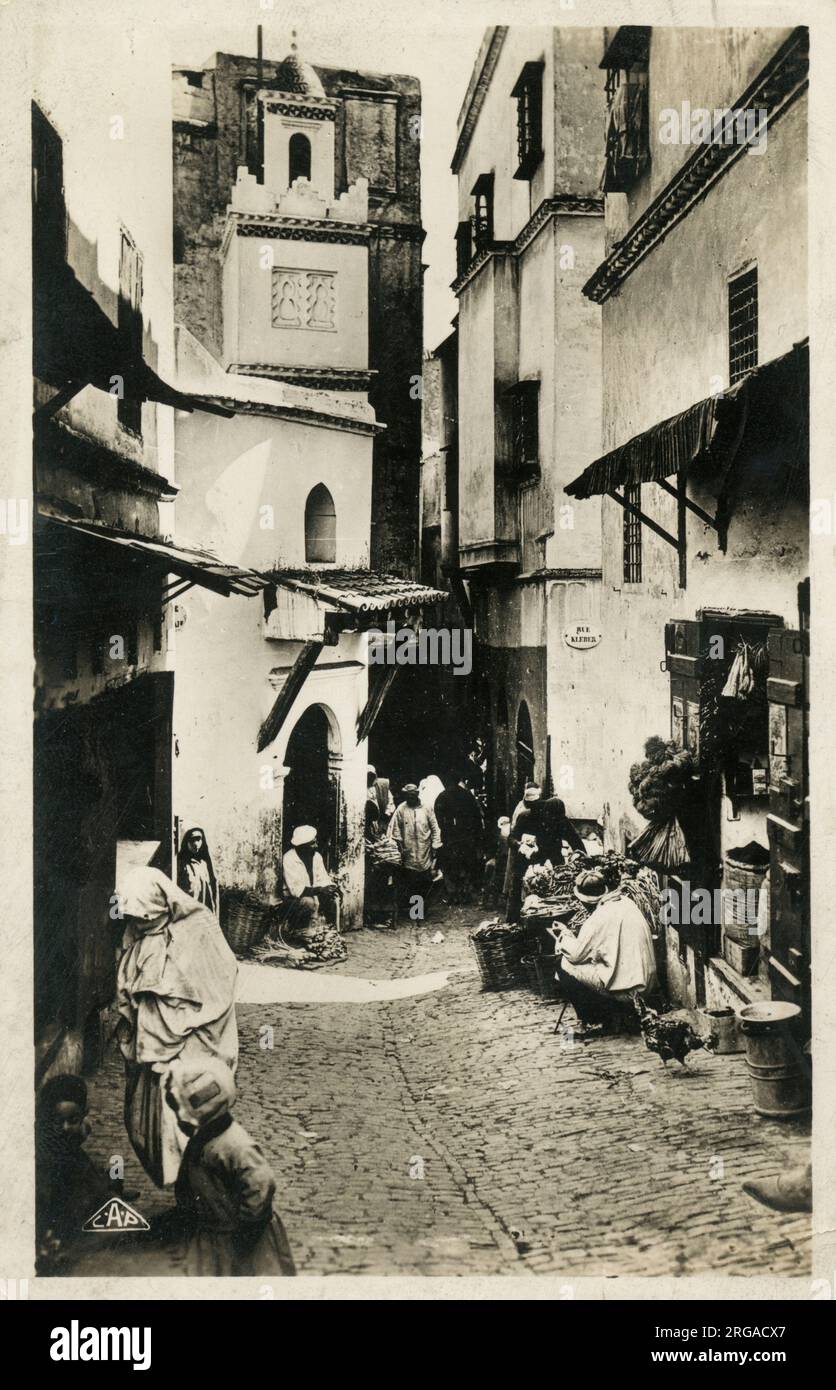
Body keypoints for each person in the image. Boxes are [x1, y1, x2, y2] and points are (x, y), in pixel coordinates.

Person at [115, 866, 238, 1188]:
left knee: (189, 1127)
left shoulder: (199, 930)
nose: (138, 924)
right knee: (149, 1128)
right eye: (134, 918)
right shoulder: (139, 938)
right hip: (151, 1054)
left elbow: (217, 987)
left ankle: (199, 1200)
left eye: (144, 917)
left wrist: (179, 1017)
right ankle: (183, 1191)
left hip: (190, 1050)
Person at [165, 1059, 296, 1277]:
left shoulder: (234, 1145)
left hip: (239, 1238)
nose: (179, 1122)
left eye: (180, 1115)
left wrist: (246, 1229)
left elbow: (261, 1183)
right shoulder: (204, 1139)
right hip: (211, 1236)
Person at [553, 867, 657, 1033]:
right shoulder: (627, 903)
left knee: (564, 963)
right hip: (647, 984)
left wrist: (565, 934)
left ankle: (598, 1017)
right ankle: (618, 1014)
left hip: (629, 990)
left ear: (585, 901)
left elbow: (576, 955)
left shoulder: (598, 917)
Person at [36, 1074, 116, 1270]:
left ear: (83, 1116)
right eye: (56, 1121)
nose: (64, 1128)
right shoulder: (47, 1158)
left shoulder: (72, 1151)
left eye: (72, 1120)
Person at [389, 783, 442, 910]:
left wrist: (435, 845)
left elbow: (435, 828)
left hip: (425, 852)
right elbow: (395, 831)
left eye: (413, 795)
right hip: (409, 853)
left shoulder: (427, 808)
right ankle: (415, 911)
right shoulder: (401, 809)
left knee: (424, 883)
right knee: (412, 884)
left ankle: (420, 910)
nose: (411, 798)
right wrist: (400, 847)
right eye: (408, 796)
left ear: (417, 794)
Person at [434, 773, 484, 904]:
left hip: (450, 838)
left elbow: (439, 819)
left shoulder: (442, 796)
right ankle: (465, 893)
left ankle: (453, 894)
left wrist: (447, 829)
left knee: (451, 865)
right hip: (467, 837)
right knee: (466, 865)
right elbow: (477, 817)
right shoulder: (467, 795)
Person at [503, 784, 545, 922]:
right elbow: (511, 838)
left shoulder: (544, 816)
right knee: (517, 891)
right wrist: (519, 844)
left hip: (538, 861)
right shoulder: (523, 816)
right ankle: (514, 921)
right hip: (523, 859)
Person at [176, 826, 218, 915]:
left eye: (199, 839)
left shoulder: (203, 865)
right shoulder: (179, 865)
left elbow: (209, 897)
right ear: (185, 841)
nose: (196, 844)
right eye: (192, 840)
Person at [536, 796, 586, 865]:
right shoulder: (539, 820)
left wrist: (580, 854)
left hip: (556, 854)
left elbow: (575, 839)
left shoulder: (563, 821)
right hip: (538, 854)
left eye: (557, 818)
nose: (555, 820)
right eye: (552, 817)